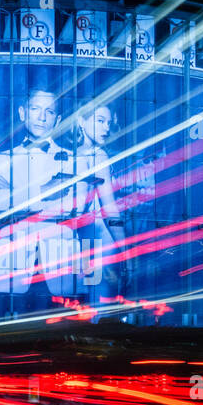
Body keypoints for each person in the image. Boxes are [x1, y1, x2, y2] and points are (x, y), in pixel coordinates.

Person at [0, 83, 84, 310]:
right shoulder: (1, 159)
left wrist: (13, 194)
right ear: (23, 113)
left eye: (50, 112)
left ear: (57, 119)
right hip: (13, 259)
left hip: (60, 259)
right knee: (7, 333)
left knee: (65, 333)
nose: (42, 118)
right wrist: (44, 191)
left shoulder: (75, 160)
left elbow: (77, 205)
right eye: (36, 109)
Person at [68, 102, 127, 306]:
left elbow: (107, 207)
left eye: (108, 122)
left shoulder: (83, 155)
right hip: (95, 241)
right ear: (81, 122)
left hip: (90, 241)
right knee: (96, 302)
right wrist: (125, 249)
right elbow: (109, 207)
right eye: (100, 121)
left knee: (87, 302)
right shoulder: (95, 156)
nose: (106, 128)